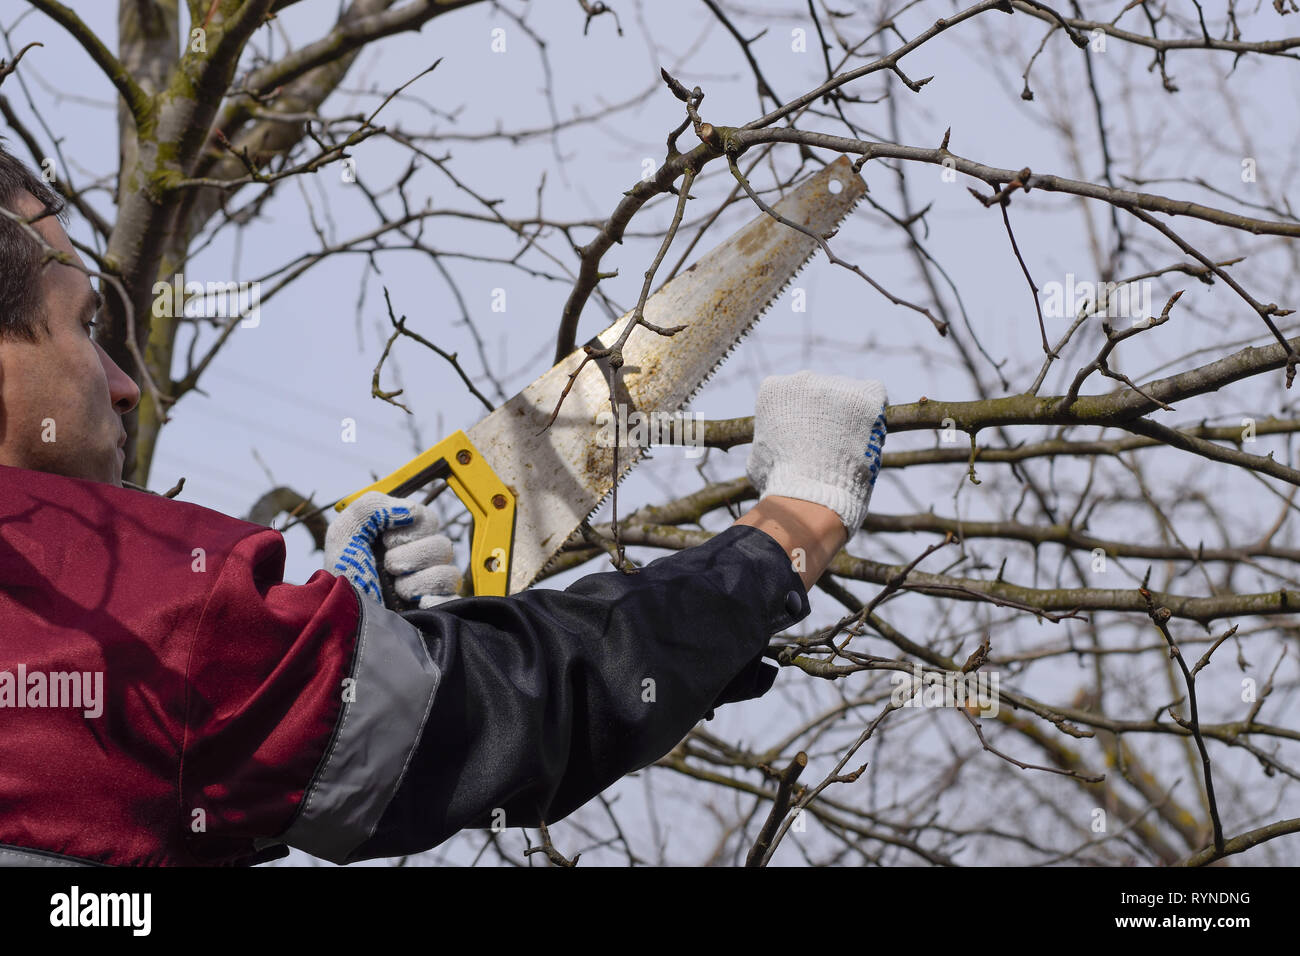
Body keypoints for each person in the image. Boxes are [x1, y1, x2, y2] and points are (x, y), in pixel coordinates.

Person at [0, 142, 888, 866]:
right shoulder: (138, 620)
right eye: (82, 325)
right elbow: (515, 710)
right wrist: (787, 531)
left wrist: (332, 644)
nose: (123, 385)